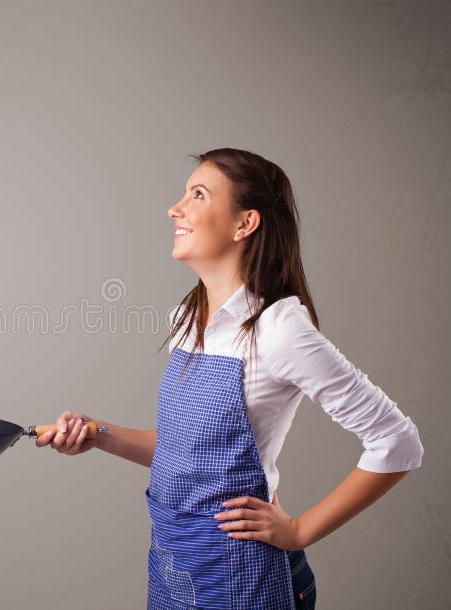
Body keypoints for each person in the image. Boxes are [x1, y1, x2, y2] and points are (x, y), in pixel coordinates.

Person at [35, 148, 425, 610]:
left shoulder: (280, 329)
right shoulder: (187, 316)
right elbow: (188, 452)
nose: (174, 208)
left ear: (245, 224)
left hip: (245, 579)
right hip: (174, 566)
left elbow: (397, 440)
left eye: (197, 195)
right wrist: (97, 434)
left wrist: (299, 530)